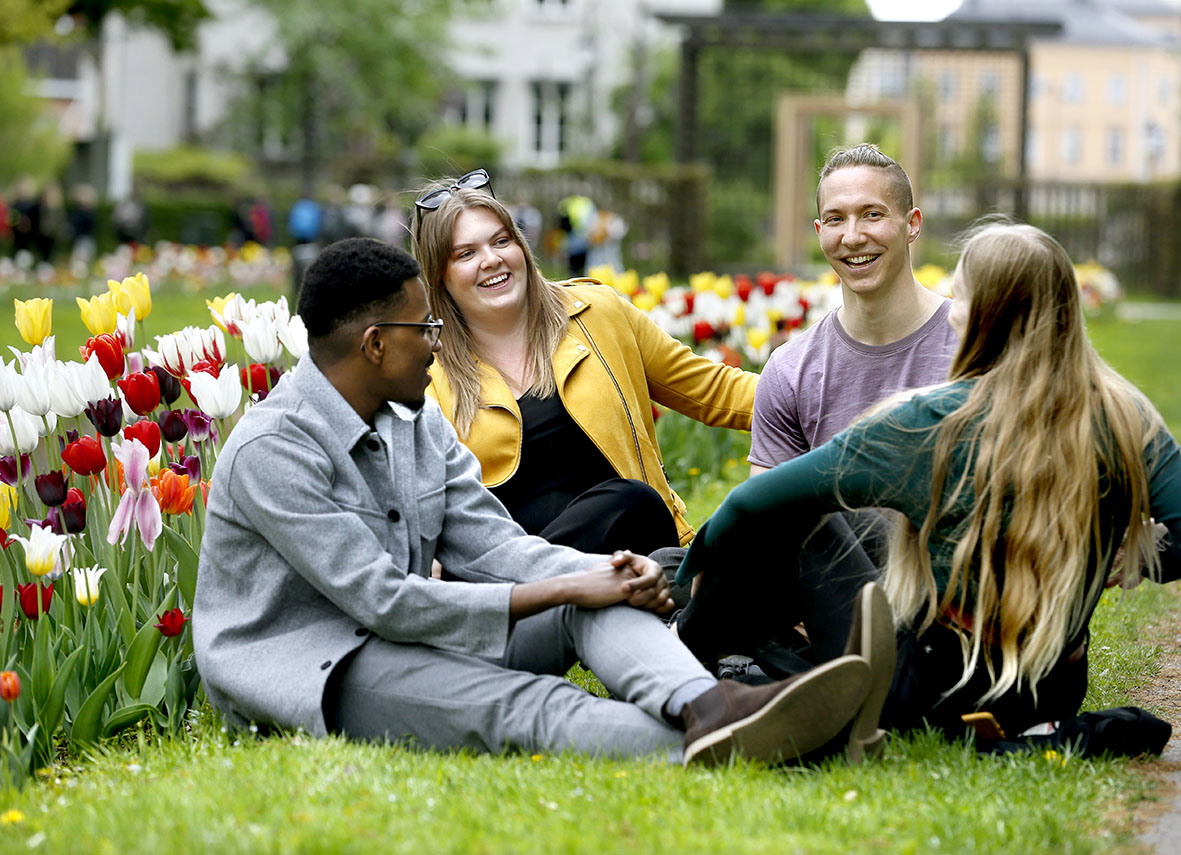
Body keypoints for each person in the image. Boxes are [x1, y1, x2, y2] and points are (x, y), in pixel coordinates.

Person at [192, 236, 877, 766]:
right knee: (527, 706)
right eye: (423, 329)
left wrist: (595, 578)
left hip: (419, 629)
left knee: (591, 598)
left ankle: (713, 704)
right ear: (374, 344)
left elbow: (493, 543)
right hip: (325, 664)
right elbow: (382, 601)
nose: (437, 343)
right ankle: (765, 741)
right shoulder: (273, 451)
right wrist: (556, 589)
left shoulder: (413, 420)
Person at [673, 221, 1181, 742]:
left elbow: (754, 502)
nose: (949, 309)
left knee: (808, 523)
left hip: (929, 690)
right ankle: (760, 656)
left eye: (958, 296)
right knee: (870, 528)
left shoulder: (929, 422)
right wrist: (1141, 556)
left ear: (983, 314)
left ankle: (676, 655)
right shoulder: (1128, 417)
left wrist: (688, 575)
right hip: (1049, 690)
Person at [413, 169, 758, 557]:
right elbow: (419, 501)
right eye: (466, 253)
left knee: (632, 504)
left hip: (633, 552)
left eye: (501, 240)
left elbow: (716, 390)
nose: (492, 259)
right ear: (439, 275)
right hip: (515, 581)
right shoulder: (425, 375)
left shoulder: (598, 315)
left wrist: (821, 398)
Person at [749, 144, 960, 476]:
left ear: (912, 225)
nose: (852, 237)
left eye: (872, 214)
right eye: (836, 219)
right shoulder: (790, 371)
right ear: (820, 233)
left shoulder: (977, 342)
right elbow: (768, 519)